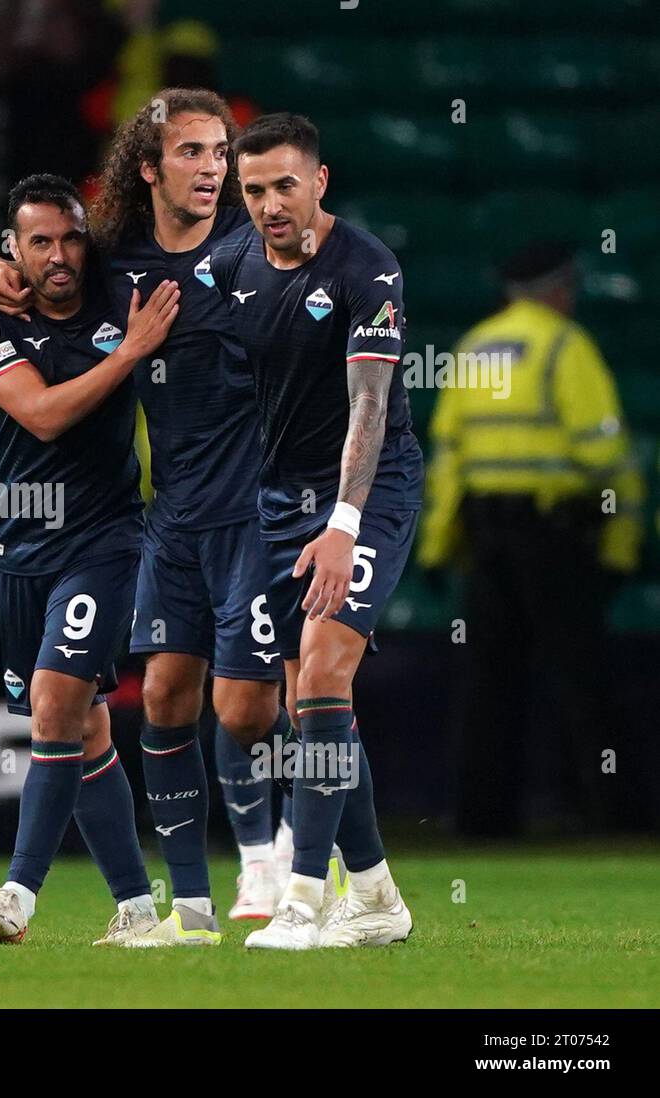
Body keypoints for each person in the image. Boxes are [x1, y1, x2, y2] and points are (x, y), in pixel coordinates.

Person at [0, 89, 291, 941]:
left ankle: (284, 852)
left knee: (249, 705)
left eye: (220, 154)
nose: (212, 169)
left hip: (240, 511)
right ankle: (177, 904)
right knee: (147, 701)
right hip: (162, 521)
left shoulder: (249, 248)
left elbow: (326, 267)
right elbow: (40, 268)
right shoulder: (118, 266)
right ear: (147, 168)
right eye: (192, 152)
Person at [209, 112, 423, 949]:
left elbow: (369, 406)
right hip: (277, 500)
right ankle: (374, 896)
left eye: (284, 185)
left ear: (319, 182)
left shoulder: (368, 269)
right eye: (253, 190)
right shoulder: (232, 262)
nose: (269, 204)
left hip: (367, 495)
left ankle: (303, 898)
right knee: (308, 705)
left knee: (326, 678)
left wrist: (343, 524)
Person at [0, 173, 179, 946]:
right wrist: (134, 356)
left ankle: (19, 892)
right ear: (11, 250)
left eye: (72, 237)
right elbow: (44, 416)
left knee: (56, 702)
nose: (59, 255)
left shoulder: (123, 302)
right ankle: (139, 911)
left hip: (104, 540)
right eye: (39, 241)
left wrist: (139, 339)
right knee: (83, 732)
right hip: (19, 553)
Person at [417, 241, 642, 836]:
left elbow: (448, 461)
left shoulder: (472, 349)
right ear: (559, 288)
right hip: (556, 537)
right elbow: (606, 454)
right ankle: (615, 817)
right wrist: (621, 541)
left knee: (490, 683)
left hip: (488, 540)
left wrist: (439, 546)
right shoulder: (566, 347)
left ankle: (482, 820)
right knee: (584, 680)